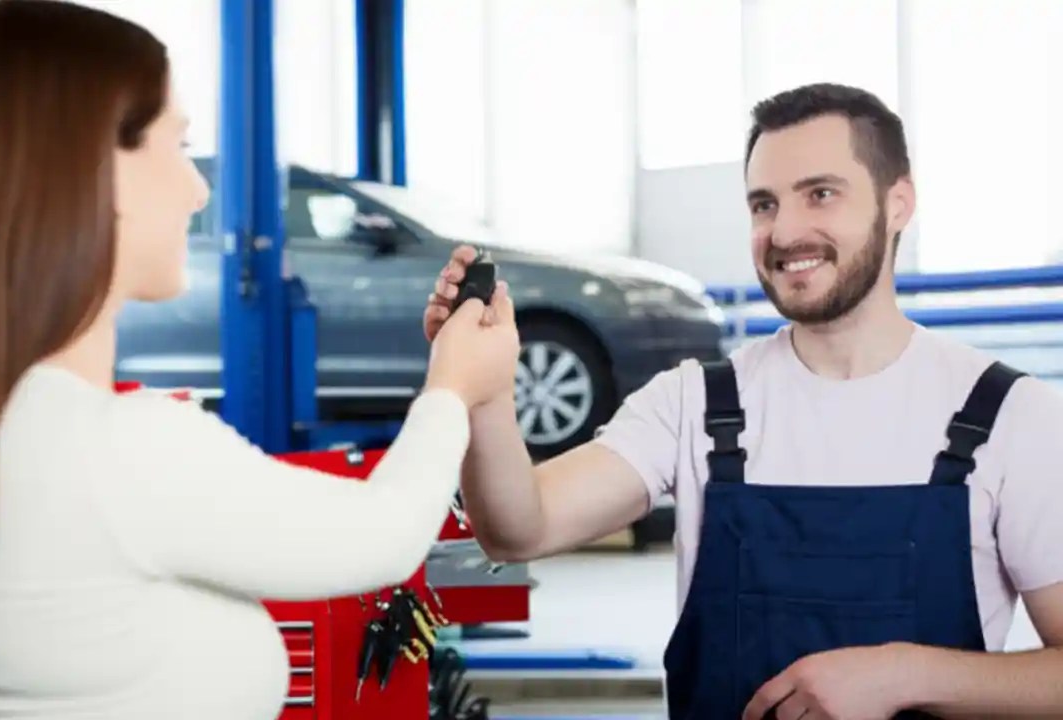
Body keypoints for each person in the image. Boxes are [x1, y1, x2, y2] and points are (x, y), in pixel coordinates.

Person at [0, 1, 520, 718]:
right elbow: (383, 534)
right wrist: (453, 386)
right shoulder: (113, 448)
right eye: (177, 145)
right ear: (93, 171)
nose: (198, 190)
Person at [424, 83, 1063, 719]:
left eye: (820, 194)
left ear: (898, 204)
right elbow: (518, 527)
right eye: (763, 204)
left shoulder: (1008, 414)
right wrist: (485, 391)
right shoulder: (694, 405)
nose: (784, 231)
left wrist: (906, 673)